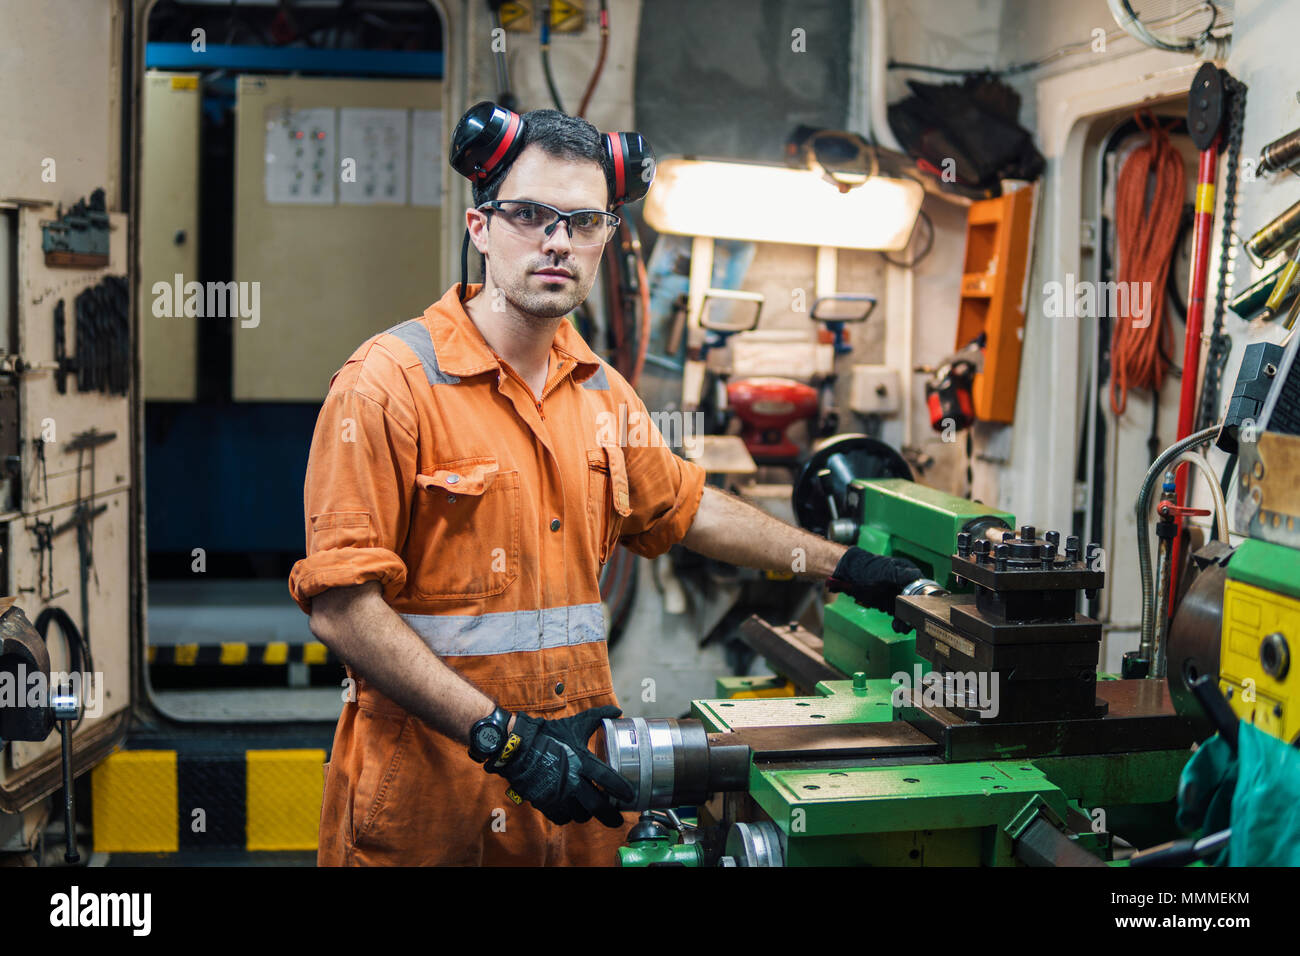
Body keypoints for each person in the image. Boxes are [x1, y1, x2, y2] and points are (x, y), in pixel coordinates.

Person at [288, 106, 923, 866]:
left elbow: (687, 509)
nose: (557, 240)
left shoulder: (601, 394)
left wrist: (841, 567)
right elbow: (343, 608)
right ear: (480, 227)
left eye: (583, 221)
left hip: (576, 803)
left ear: (605, 240)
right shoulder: (387, 386)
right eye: (529, 214)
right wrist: (505, 739)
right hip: (434, 807)